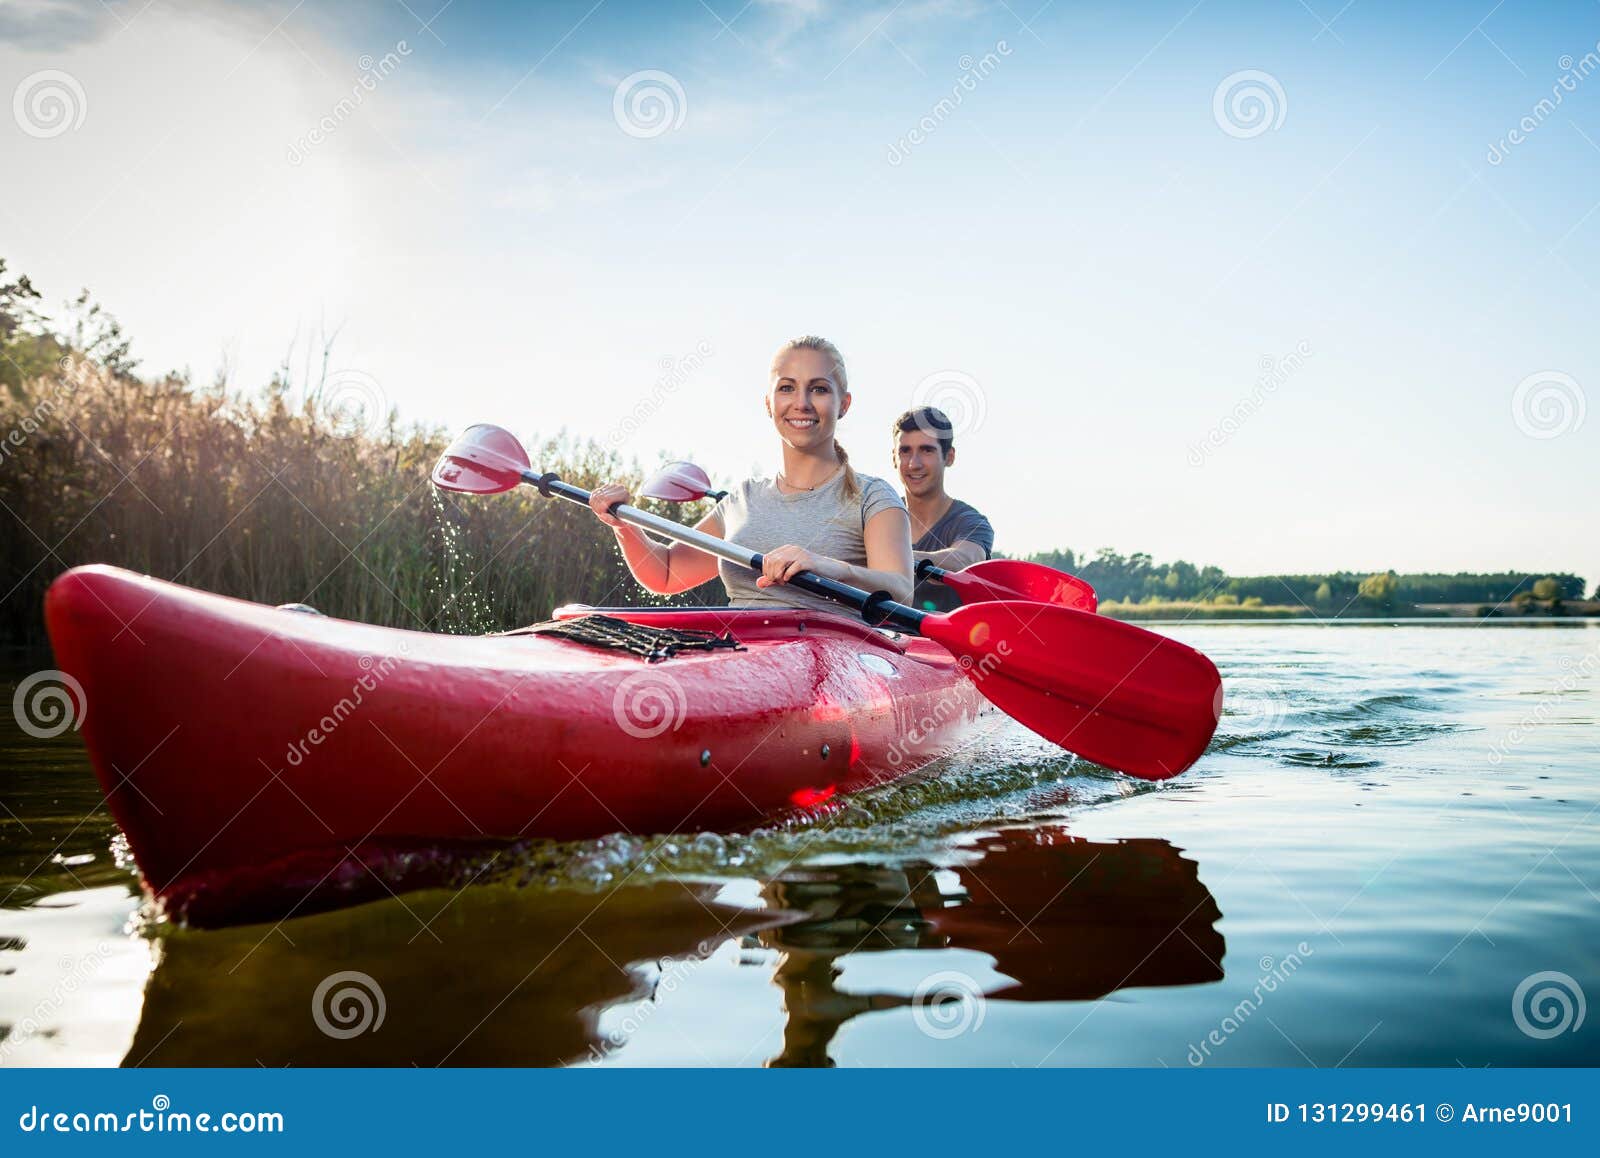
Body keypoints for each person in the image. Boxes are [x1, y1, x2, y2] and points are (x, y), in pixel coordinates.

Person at [587, 335, 913, 613]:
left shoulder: (873, 497)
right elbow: (667, 573)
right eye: (787, 388)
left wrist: (826, 566)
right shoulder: (742, 500)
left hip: (834, 673)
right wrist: (624, 524)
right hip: (744, 664)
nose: (801, 403)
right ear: (768, 404)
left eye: (819, 389)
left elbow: (900, 590)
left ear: (844, 404)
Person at [893, 406, 995, 612]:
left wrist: (888, 556)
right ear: (893, 458)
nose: (914, 464)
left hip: (940, 642)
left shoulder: (970, 522)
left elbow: (964, 562)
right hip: (880, 639)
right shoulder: (876, 516)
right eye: (905, 451)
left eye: (927, 450)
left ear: (949, 457)